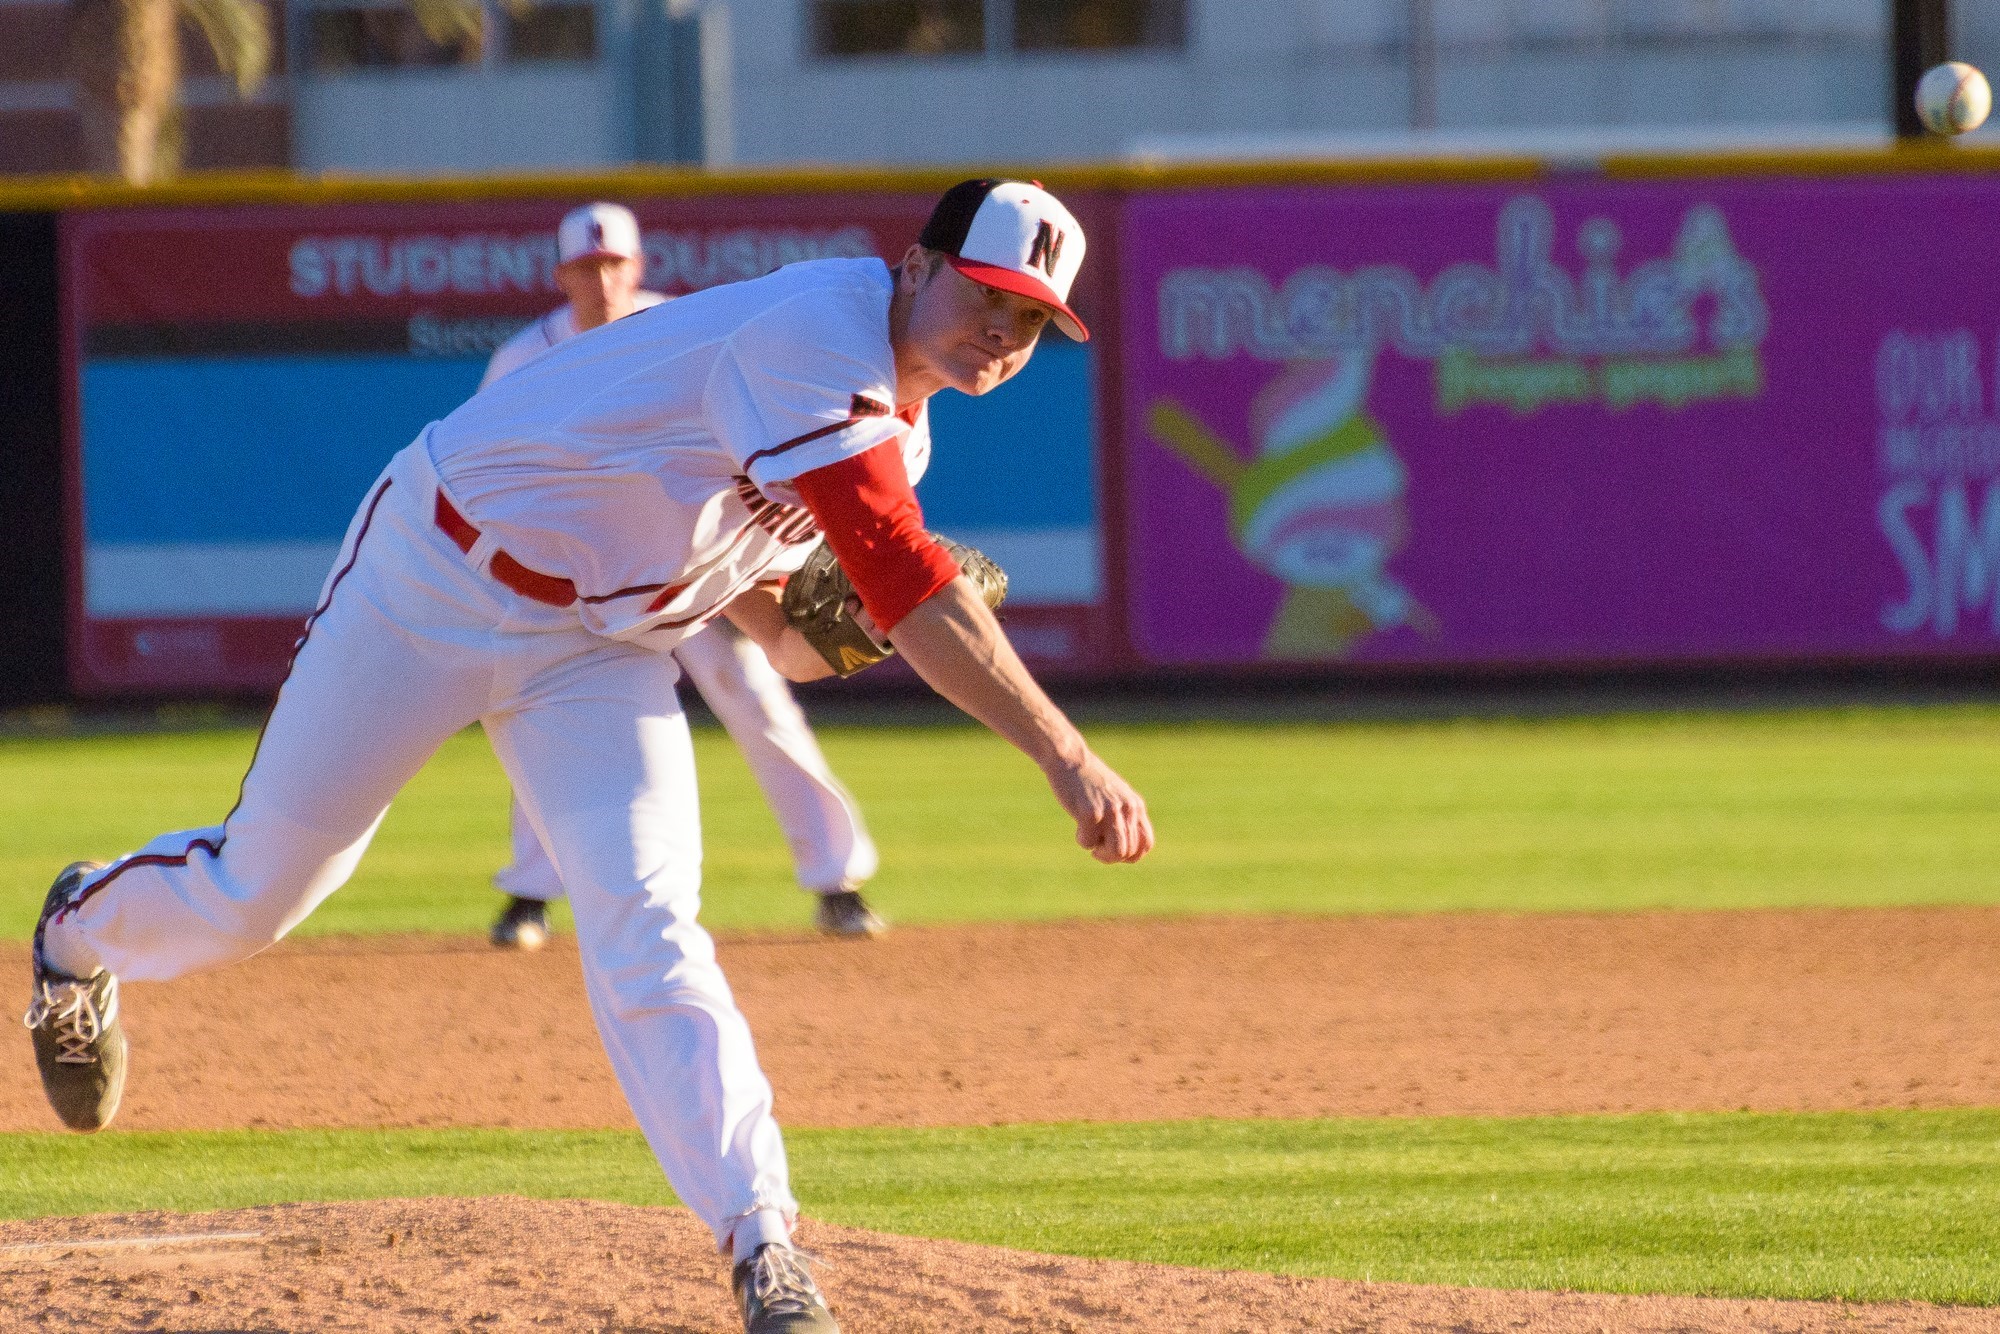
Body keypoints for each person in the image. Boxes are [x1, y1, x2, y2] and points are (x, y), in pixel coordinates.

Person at [25, 178, 1152, 1334]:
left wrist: (819, 634)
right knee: (259, 890)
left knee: (651, 924)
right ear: (915, 268)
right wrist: (1065, 754)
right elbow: (906, 573)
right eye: (987, 296)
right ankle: (75, 934)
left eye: (1029, 321)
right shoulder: (815, 334)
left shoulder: (898, 436)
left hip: (596, 647)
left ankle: (765, 1247)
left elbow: (771, 621)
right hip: (435, 577)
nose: (1001, 335)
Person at [483, 203, 885, 950]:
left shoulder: (686, 326)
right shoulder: (521, 360)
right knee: (544, 713)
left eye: (613, 264)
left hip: (699, 559)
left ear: (637, 268)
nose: (601, 279)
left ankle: (838, 879)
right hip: (580, 570)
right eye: (585, 267)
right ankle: (529, 896)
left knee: (756, 696)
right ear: (561, 274)